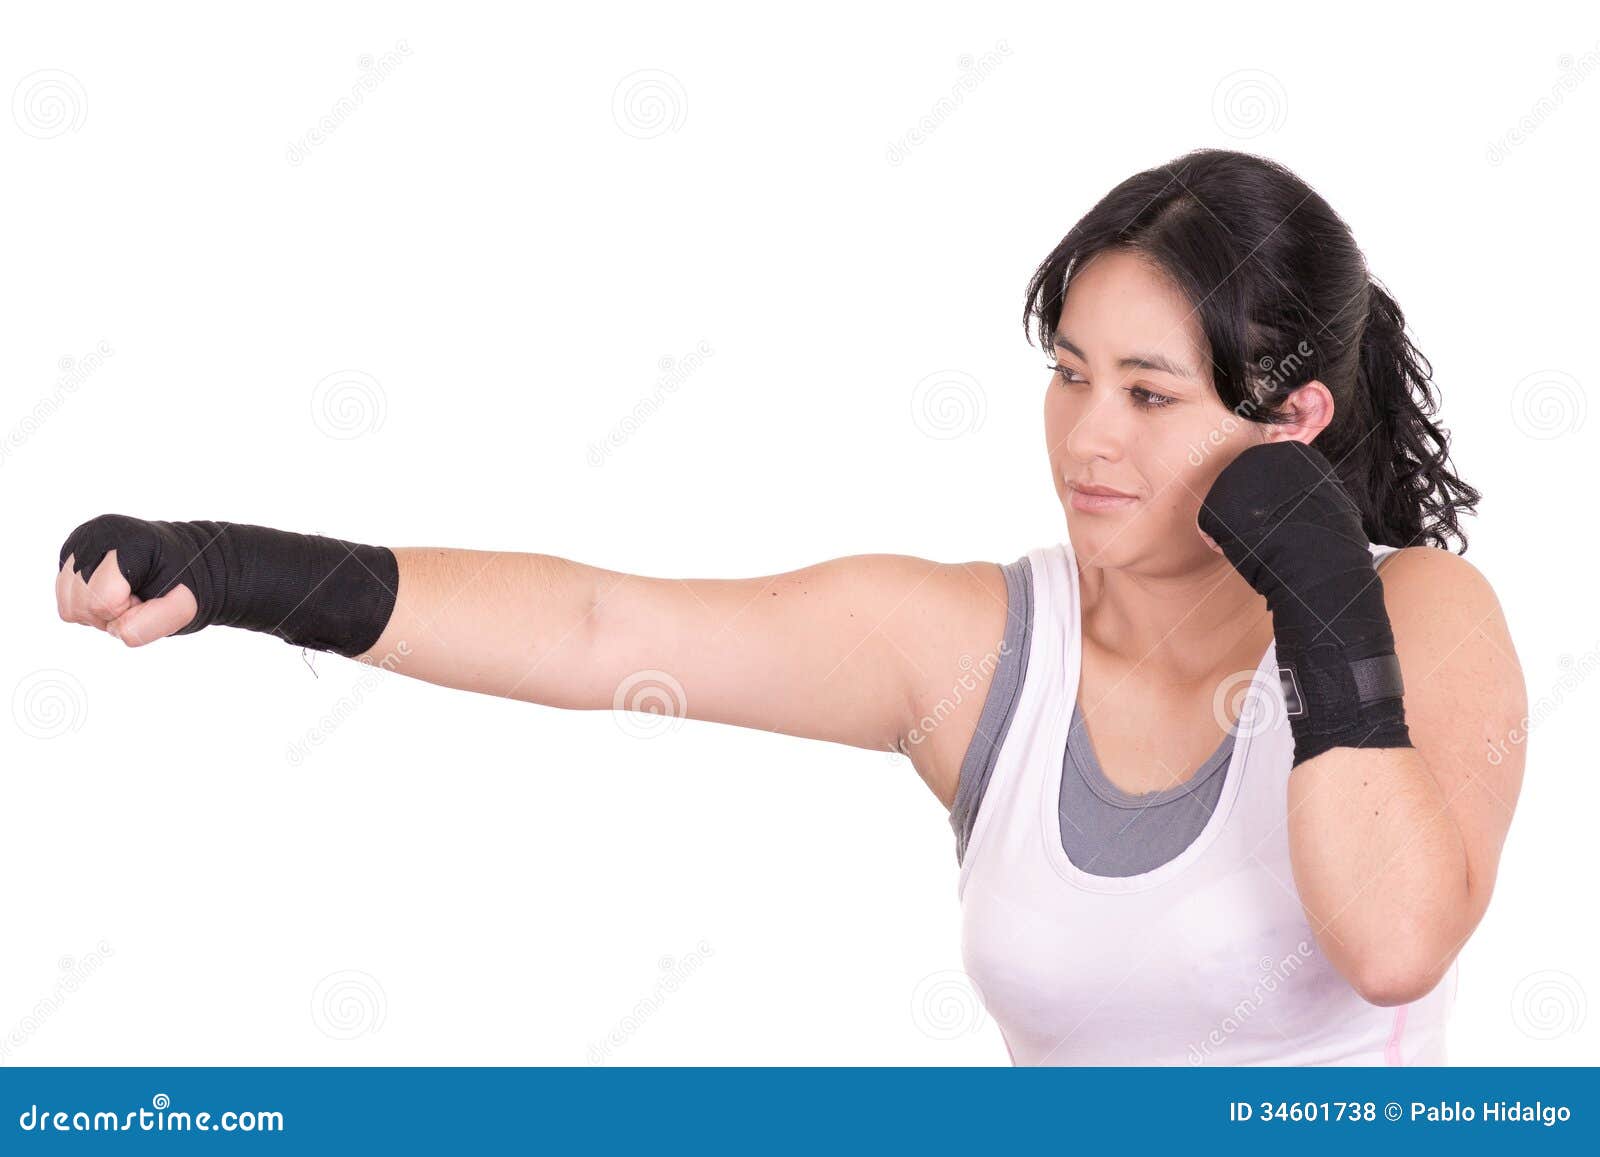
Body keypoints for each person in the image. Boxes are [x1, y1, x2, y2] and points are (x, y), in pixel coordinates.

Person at [54, 148, 1526, 1066]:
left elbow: (1396, 940)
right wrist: (237, 568)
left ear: (1295, 419)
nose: (1087, 438)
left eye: (1150, 394)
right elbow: (602, 634)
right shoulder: (974, 653)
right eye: (1071, 372)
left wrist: (1324, 585)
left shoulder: (1429, 613)